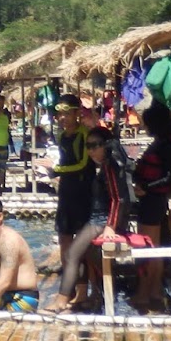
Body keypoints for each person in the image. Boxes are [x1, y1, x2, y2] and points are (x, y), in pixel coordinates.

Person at [44, 126, 130, 314]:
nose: (90, 151)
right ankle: (97, 296)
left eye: (94, 146)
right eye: (87, 146)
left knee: (71, 254)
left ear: (105, 145)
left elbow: (119, 199)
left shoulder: (110, 167)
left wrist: (110, 226)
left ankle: (61, 300)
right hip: (97, 218)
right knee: (89, 256)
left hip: (101, 221)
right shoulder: (106, 165)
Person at [44, 94, 93, 306]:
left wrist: (55, 170)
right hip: (66, 192)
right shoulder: (63, 136)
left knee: (81, 246)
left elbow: (82, 164)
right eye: (59, 114)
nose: (62, 118)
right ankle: (69, 285)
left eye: (66, 113)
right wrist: (56, 171)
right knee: (64, 240)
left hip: (83, 192)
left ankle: (83, 290)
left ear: (76, 113)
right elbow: (64, 162)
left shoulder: (84, 134)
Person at [132, 103, 171, 310]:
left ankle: (145, 293)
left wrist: (146, 187)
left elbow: (169, 176)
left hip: (153, 200)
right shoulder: (164, 143)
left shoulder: (165, 146)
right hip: (153, 199)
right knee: (154, 248)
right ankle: (154, 291)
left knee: (148, 248)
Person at [0, 197, 40, 313]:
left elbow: (5, 281)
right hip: (7, 294)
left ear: (0, 216)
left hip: (23, 298)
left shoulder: (8, 241)